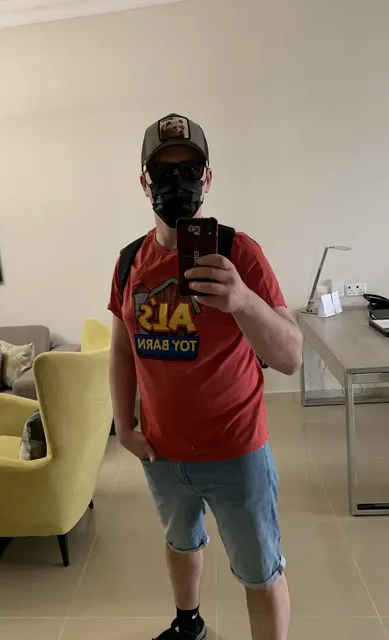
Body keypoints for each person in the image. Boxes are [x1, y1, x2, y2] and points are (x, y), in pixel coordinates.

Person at [108, 113, 303, 640]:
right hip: (162, 452)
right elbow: (122, 347)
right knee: (180, 542)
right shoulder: (128, 262)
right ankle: (188, 624)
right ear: (145, 181)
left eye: (190, 169)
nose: (177, 182)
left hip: (236, 451)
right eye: (163, 171)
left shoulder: (240, 253)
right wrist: (124, 425)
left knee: (261, 571)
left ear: (208, 178)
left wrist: (243, 301)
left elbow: (290, 356)